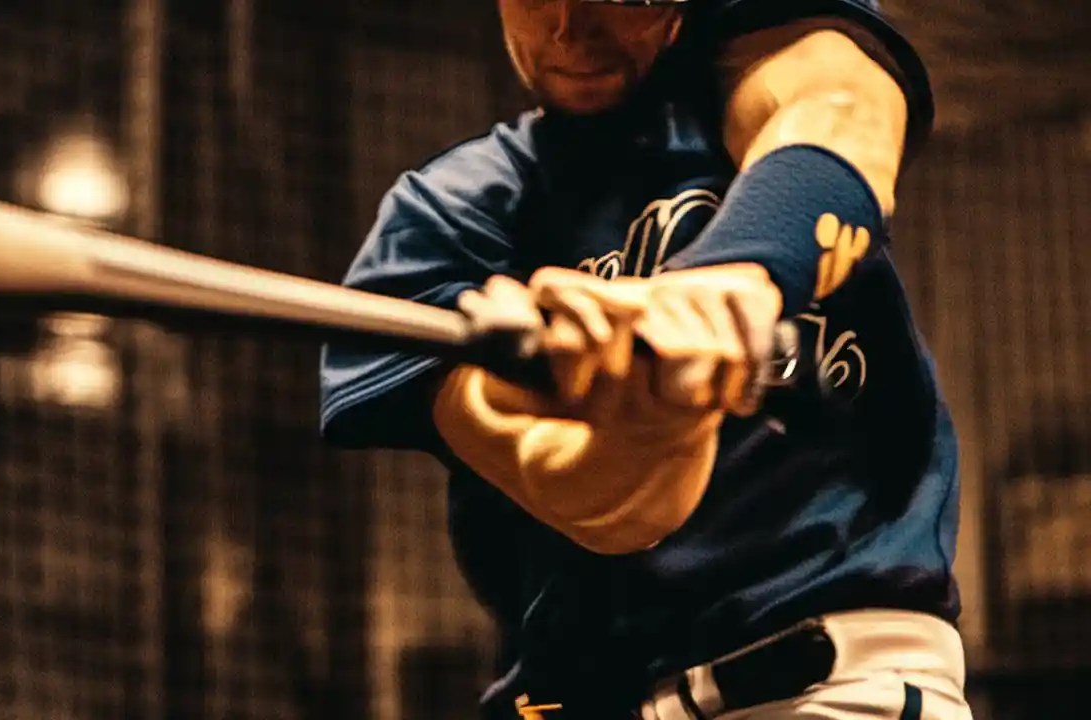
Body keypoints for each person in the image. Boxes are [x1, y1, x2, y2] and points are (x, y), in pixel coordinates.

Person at [320, 1, 969, 718]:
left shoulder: (757, 59)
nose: (569, 29)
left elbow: (843, 108)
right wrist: (654, 419)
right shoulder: (443, 218)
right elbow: (598, 500)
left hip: (823, 690)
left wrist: (730, 283)